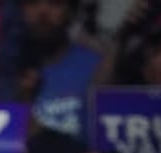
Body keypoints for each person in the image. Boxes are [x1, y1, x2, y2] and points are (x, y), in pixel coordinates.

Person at [18, 0, 102, 142]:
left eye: (55, 3)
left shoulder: (96, 68)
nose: (43, 11)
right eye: (32, 2)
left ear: (70, 11)